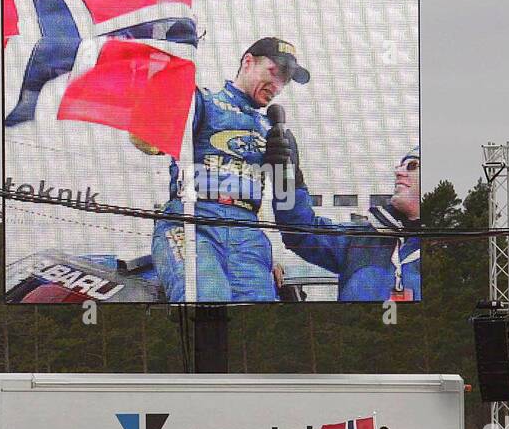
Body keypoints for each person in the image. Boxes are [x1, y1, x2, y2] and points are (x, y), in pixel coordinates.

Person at [144, 37, 310, 302]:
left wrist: (290, 172)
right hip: (195, 221)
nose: (278, 86)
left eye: (286, 80)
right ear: (248, 62)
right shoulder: (204, 101)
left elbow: (288, 208)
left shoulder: (274, 131)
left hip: (248, 232)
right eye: (275, 72)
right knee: (208, 301)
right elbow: (146, 143)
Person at [275, 145, 421, 301]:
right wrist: (286, 180)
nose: (398, 172)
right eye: (399, 166)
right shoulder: (361, 238)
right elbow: (300, 231)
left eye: (412, 166)